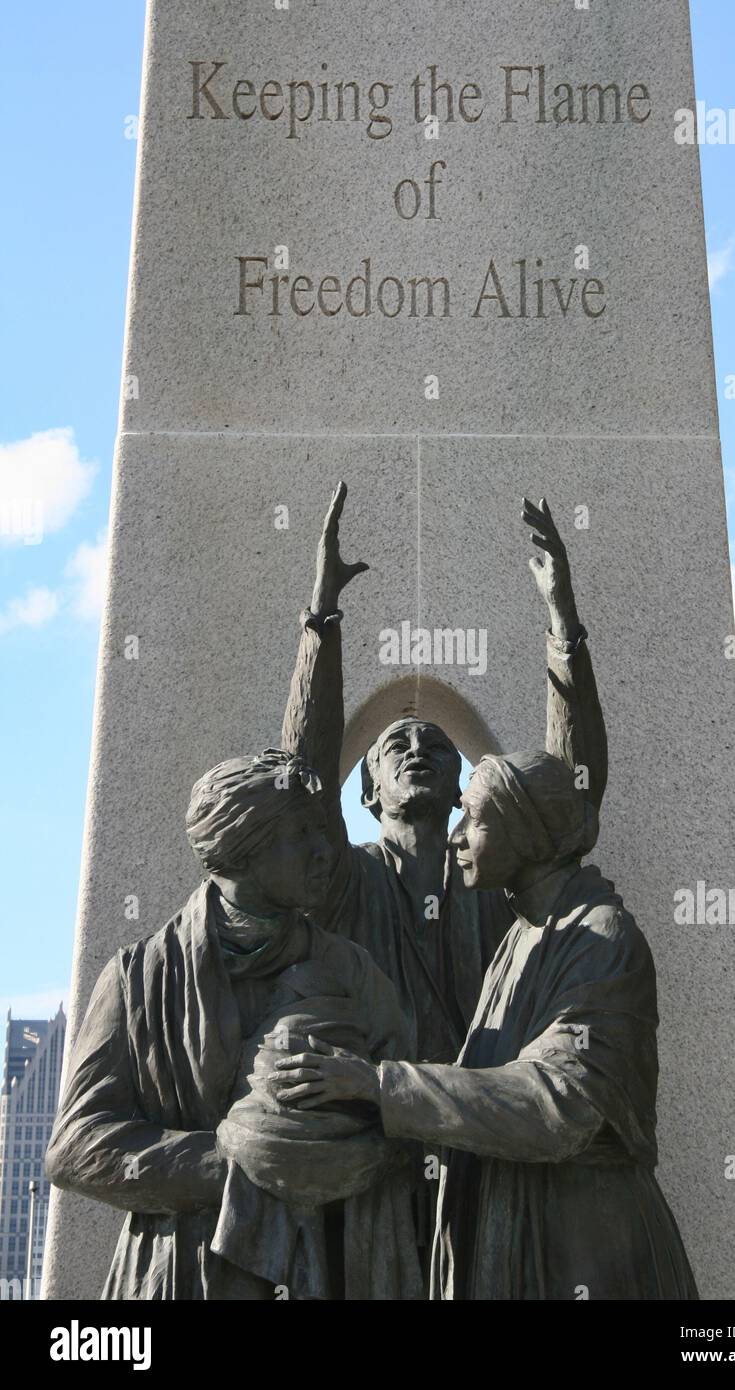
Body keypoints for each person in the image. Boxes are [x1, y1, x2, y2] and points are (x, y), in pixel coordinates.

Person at [271, 750, 699, 1301]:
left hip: (584, 1249)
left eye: (474, 818)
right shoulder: (527, 933)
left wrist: (380, 1085)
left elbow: (560, 1102)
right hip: (524, 1234)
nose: (455, 837)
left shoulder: (601, 936)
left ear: (524, 828)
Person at [45, 750, 422, 1300]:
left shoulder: (352, 971)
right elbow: (76, 1146)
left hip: (319, 1266)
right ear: (243, 846)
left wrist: (336, 1155)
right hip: (179, 1274)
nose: (324, 851)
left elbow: (409, 1119)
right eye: (302, 834)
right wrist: (243, 1161)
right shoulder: (138, 977)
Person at [281, 484, 608, 1068]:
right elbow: (301, 787)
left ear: (463, 783)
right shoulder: (346, 878)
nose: (417, 749)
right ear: (367, 789)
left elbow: (572, 798)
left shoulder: (498, 885)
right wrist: (321, 619)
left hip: (483, 1126)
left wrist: (565, 627)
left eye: (437, 743)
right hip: (370, 1125)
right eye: (395, 745)